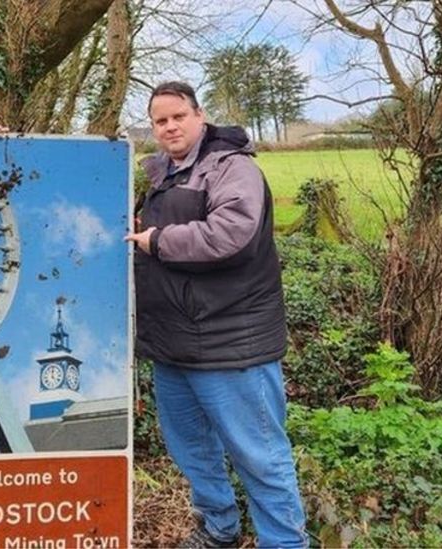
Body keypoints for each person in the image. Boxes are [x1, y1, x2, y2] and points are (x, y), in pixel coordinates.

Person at [124, 81, 308, 548]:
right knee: (191, 450)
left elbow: (232, 234)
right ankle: (219, 528)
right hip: (173, 345)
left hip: (231, 344)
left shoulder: (231, 167)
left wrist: (159, 241)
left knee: (260, 455)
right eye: (160, 120)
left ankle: (285, 542)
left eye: (177, 116)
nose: (169, 126)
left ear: (199, 115)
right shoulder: (160, 175)